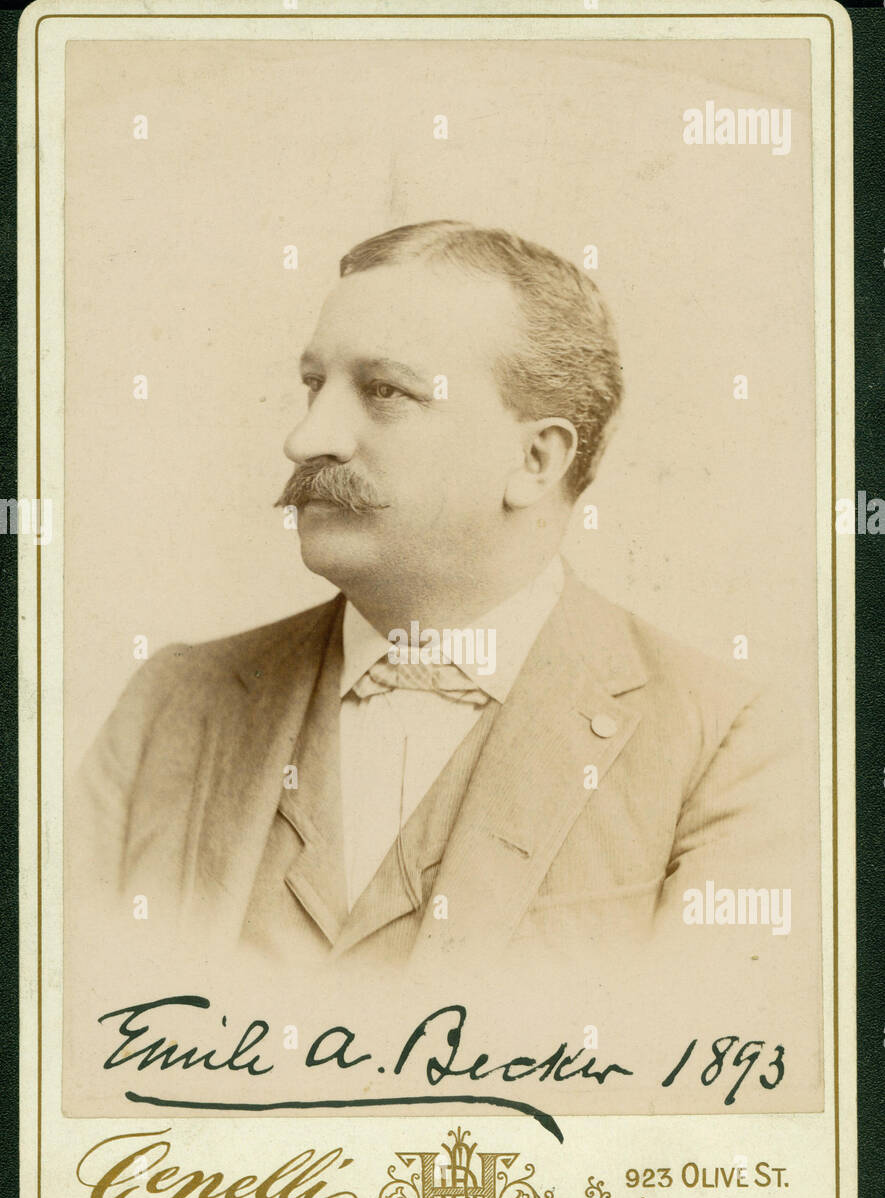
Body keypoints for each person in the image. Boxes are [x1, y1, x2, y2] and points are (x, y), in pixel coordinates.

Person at [73, 220, 802, 981]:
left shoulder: (726, 741)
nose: (306, 438)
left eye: (385, 391)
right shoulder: (169, 703)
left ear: (535, 460)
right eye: (314, 386)